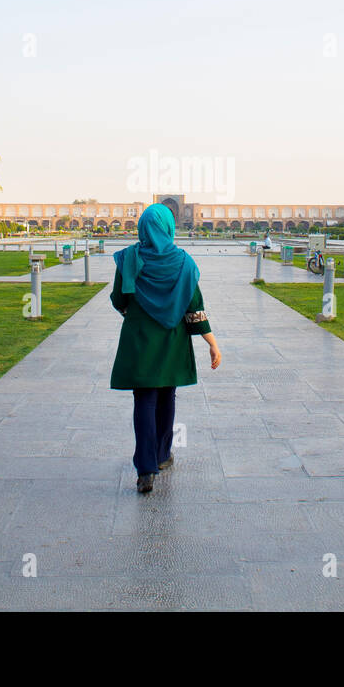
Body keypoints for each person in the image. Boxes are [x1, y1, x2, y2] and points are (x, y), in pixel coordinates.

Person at [110, 203, 221, 493]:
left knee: (144, 400)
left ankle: (145, 468)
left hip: (140, 340)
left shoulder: (129, 259)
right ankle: (161, 456)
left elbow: (118, 300)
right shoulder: (183, 263)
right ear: (169, 228)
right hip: (172, 341)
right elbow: (194, 307)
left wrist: (134, 315)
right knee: (167, 397)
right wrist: (212, 343)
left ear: (143, 227)